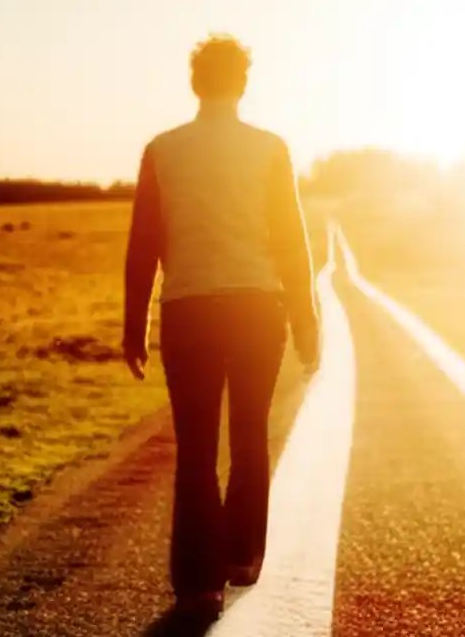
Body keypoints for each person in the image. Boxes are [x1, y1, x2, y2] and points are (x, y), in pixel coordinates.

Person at [122, 34, 320, 623]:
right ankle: (241, 555)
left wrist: (135, 325)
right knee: (250, 436)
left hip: (189, 310)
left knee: (197, 450)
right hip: (259, 308)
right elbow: (291, 241)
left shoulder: (162, 149)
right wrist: (306, 320)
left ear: (194, 84)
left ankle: (197, 585)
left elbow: (144, 245)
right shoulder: (270, 148)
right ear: (242, 84)